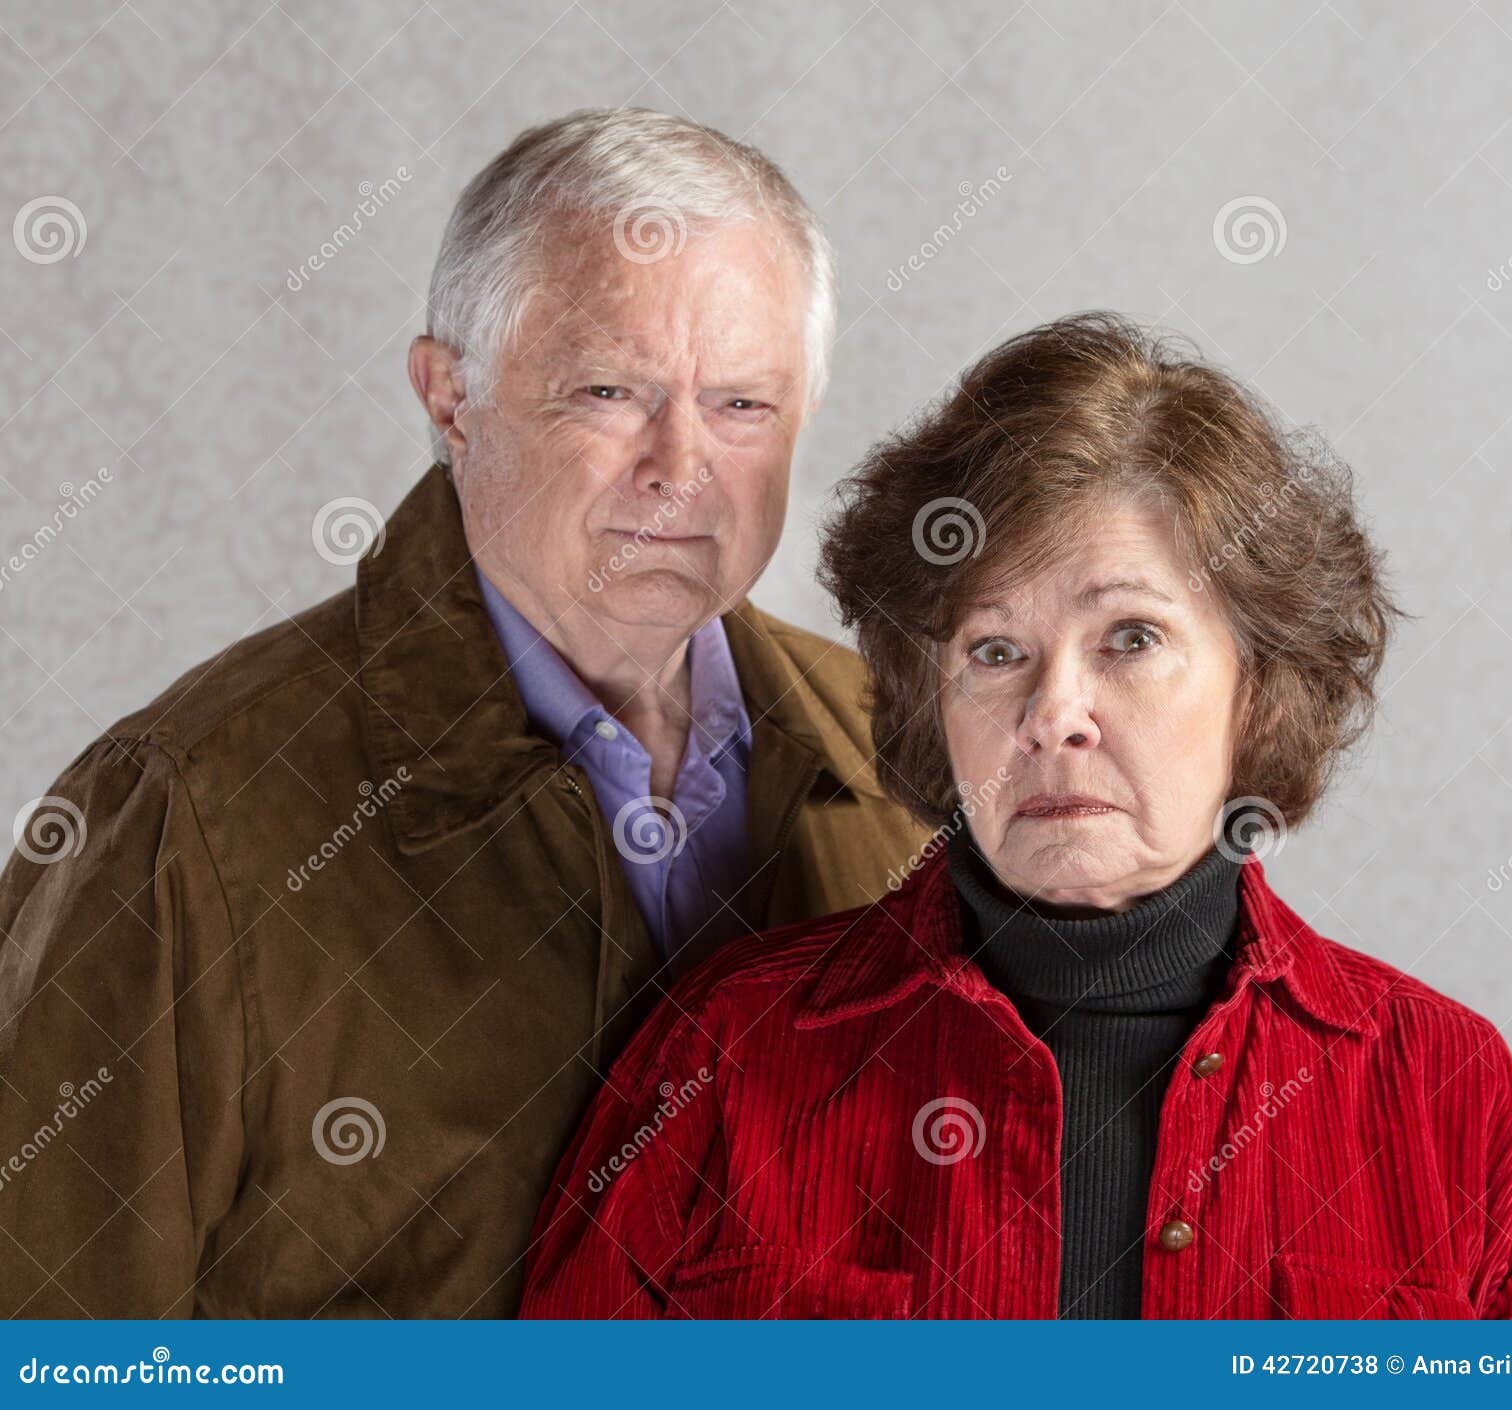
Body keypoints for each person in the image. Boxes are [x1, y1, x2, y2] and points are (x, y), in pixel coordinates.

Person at [0, 109, 929, 1318]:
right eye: (608, 390)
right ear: (450, 397)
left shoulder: (912, 757)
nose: (681, 464)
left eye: (742, 405)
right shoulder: (187, 816)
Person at [519, 312, 1512, 1320]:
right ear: (934, 705)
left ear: (1256, 688)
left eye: (1129, 638)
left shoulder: (1445, 1092)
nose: (1051, 715)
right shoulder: (721, 1058)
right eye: (994, 652)